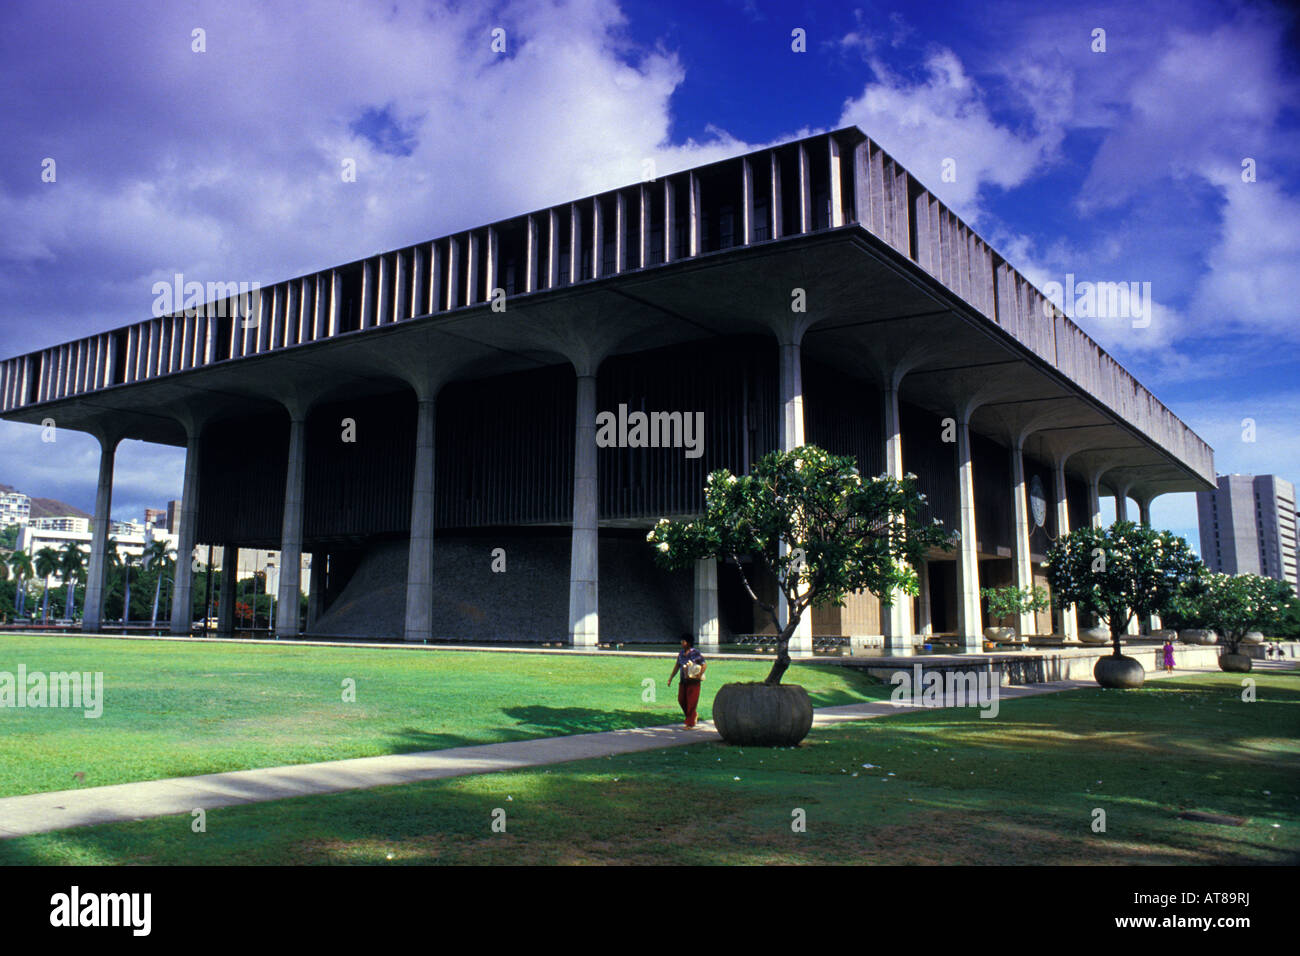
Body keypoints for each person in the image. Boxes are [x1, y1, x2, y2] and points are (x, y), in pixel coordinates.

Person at [668, 634, 707, 728]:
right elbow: (677, 666)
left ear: (689, 643)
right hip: (683, 681)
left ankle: (690, 723)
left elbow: (704, 664)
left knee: (691, 702)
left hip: (693, 682)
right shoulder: (681, 653)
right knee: (681, 700)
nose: (682, 643)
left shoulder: (695, 653)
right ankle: (693, 715)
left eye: (683, 641)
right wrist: (671, 678)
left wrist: (699, 674)